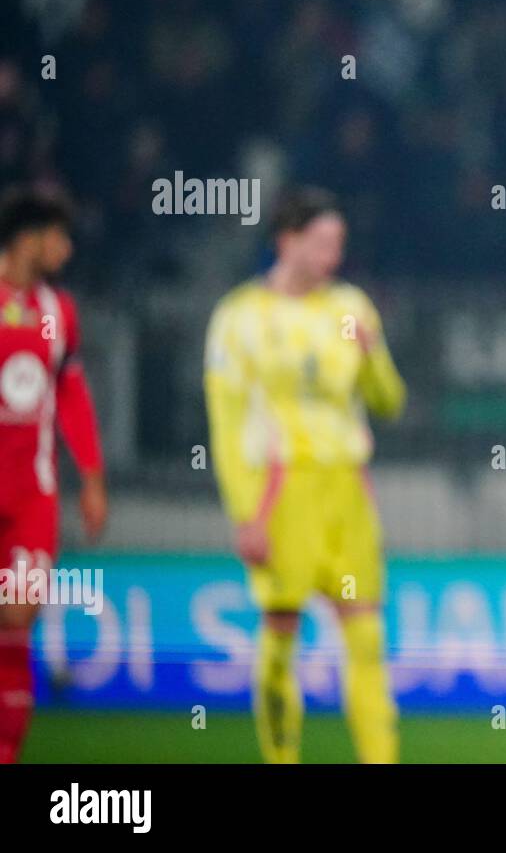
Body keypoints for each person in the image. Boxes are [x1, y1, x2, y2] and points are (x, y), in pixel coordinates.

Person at [204, 187, 405, 763]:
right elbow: (226, 421)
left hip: (345, 485)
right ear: (286, 241)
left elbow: (388, 402)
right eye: (321, 243)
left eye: (338, 244)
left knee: (365, 636)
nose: (331, 257)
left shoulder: (351, 309)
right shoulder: (240, 317)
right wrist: (245, 512)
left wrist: (372, 359)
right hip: (279, 489)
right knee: (280, 633)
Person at [0, 185, 107, 764]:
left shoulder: (58, 311)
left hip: (31, 495)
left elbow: (71, 391)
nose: (66, 250)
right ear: (29, 238)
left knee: (17, 618)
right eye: (59, 238)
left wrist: (91, 476)